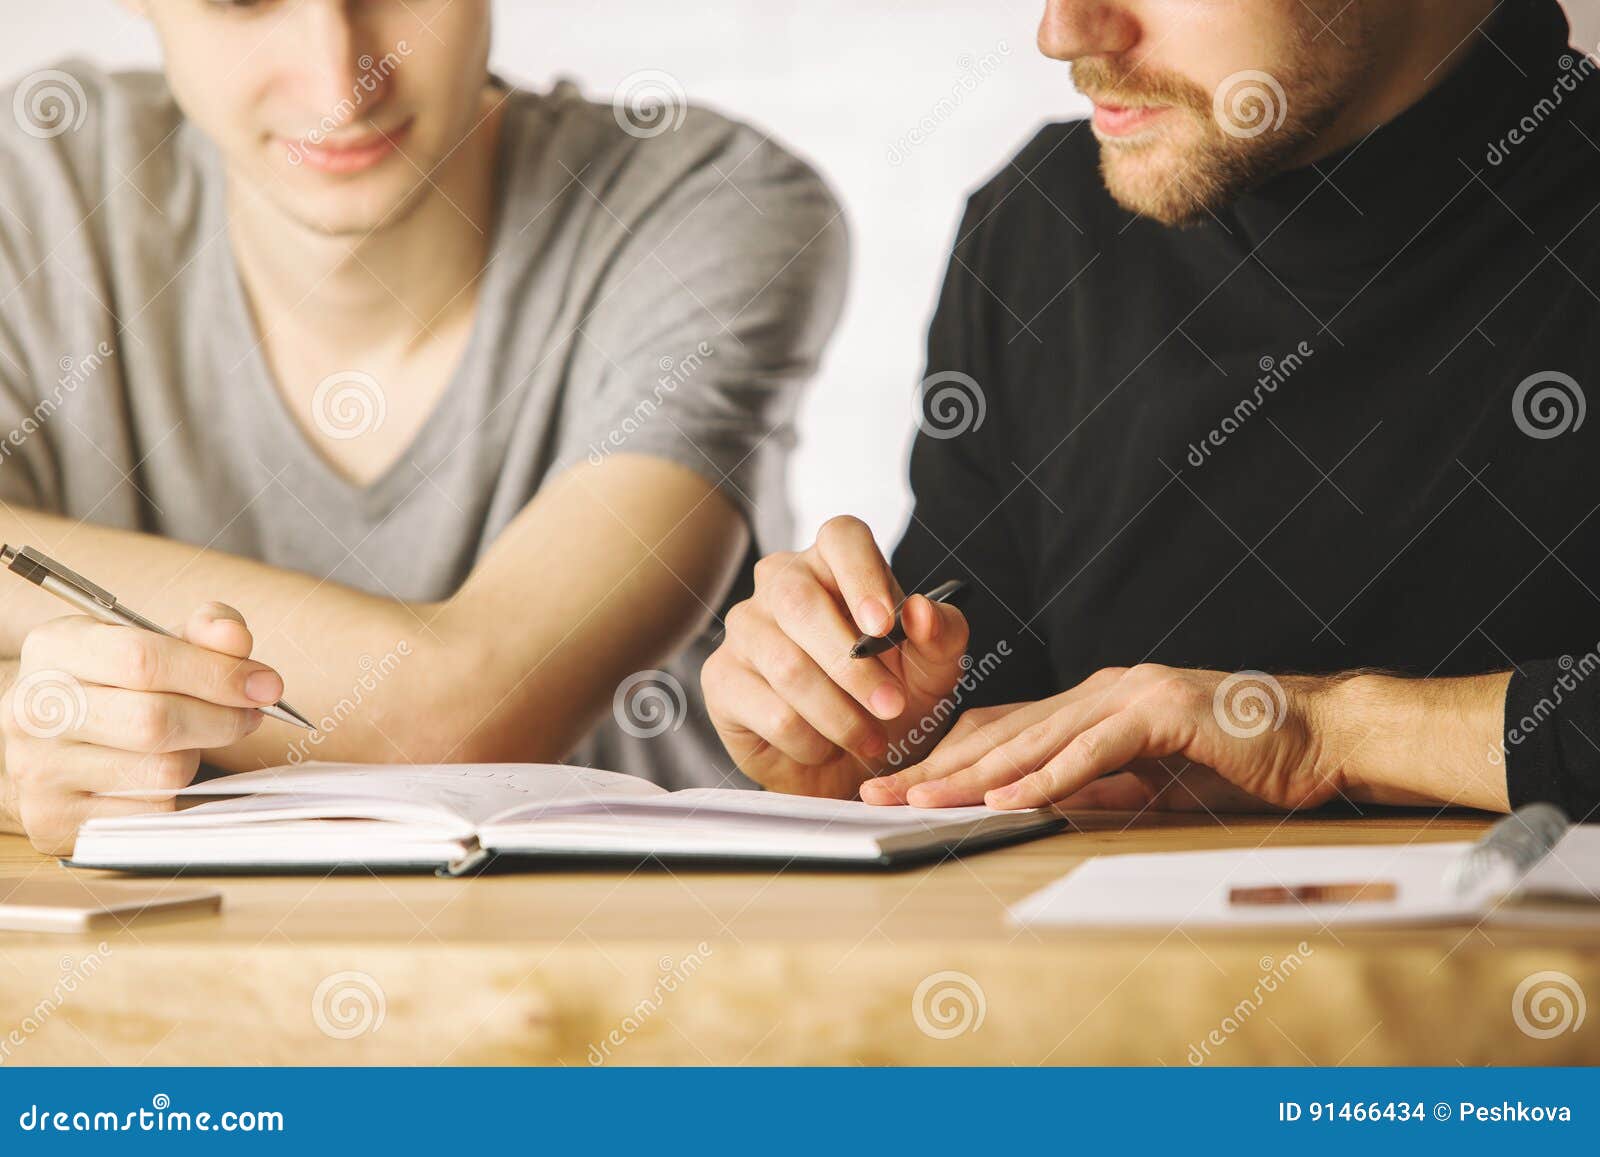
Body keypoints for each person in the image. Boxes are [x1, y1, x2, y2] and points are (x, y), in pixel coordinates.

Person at [704, 0, 1600, 819]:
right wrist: (866, 739)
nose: (1065, 32)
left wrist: (1327, 732)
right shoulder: (1043, 225)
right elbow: (977, 680)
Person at [0, 0, 848, 853]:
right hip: (167, 975)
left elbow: (454, 720)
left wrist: (65, 704)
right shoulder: (32, 186)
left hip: (639, 967)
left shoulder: (707, 205)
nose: (341, 85)